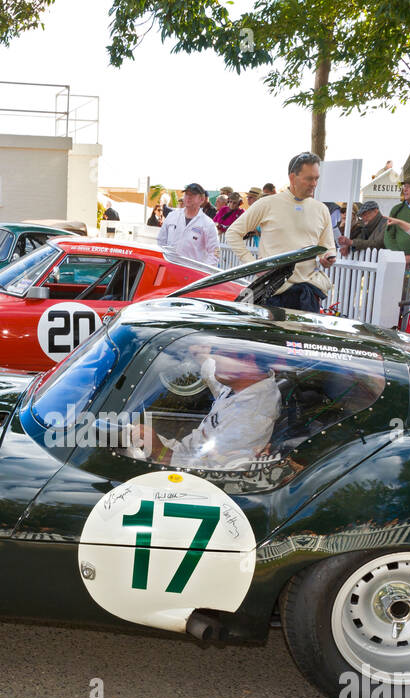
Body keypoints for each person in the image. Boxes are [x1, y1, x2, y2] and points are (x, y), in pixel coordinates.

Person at [128, 349, 281, 469]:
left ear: (248, 360)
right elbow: (209, 369)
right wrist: (198, 350)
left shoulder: (252, 417)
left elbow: (215, 471)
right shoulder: (241, 384)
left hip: (187, 476)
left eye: (223, 355)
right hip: (182, 453)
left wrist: (159, 451)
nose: (214, 359)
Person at [224, 152, 338, 312]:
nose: (314, 183)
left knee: (304, 338)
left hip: (308, 294)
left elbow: (328, 246)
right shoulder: (267, 204)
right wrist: (254, 266)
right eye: (309, 178)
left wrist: (327, 257)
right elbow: (233, 233)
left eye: (316, 178)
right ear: (292, 177)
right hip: (273, 293)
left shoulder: (321, 209)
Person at [157, 182, 219, 264]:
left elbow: (215, 254)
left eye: (193, 195)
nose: (188, 197)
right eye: (186, 194)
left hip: (191, 272)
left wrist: (200, 271)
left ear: (202, 199)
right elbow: (161, 241)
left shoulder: (208, 224)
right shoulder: (172, 216)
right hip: (169, 267)